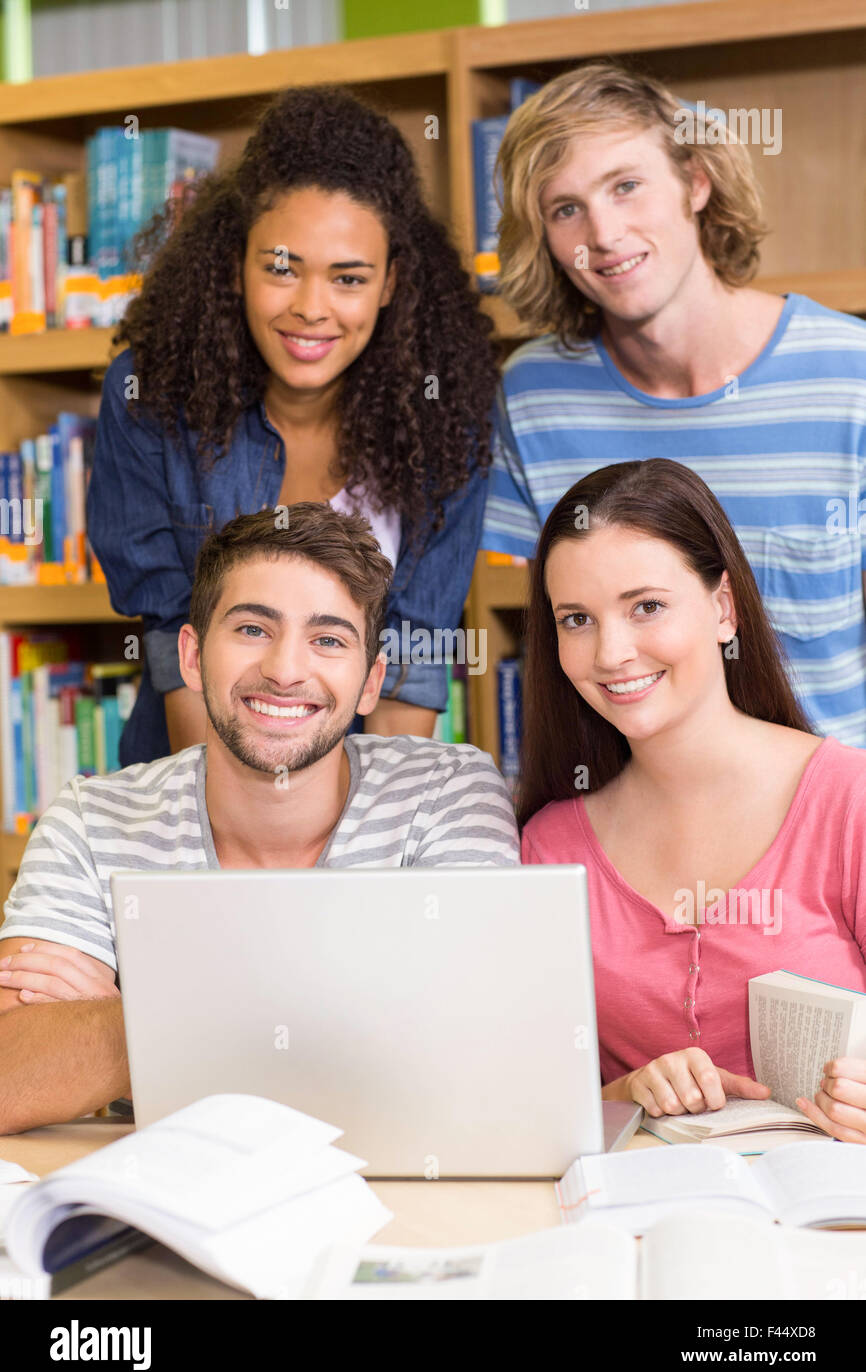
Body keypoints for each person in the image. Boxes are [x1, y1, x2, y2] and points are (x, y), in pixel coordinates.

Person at [0, 505, 519, 1134]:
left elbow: (479, 1051)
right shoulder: (91, 820)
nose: (285, 670)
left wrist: (140, 1018)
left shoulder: (448, 794)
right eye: (252, 629)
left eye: (328, 639)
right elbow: (12, 1078)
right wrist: (357, 1009)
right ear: (191, 657)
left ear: (370, 682)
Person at [87, 84, 499, 766]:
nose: (312, 308)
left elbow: (416, 650)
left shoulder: (447, 413)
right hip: (188, 781)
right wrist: (227, 853)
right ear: (237, 265)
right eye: (282, 268)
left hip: (360, 796)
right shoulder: (150, 393)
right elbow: (175, 639)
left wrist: (363, 847)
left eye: (348, 279)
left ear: (391, 284)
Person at [481, 61, 866, 746]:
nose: (603, 234)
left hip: (833, 818)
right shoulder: (532, 396)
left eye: (626, 186)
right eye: (566, 209)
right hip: (631, 816)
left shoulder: (849, 374)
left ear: (694, 182)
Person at [519, 459, 866, 1144]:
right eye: (577, 619)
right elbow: (528, 1096)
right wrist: (621, 1094)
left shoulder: (848, 800)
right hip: (635, 1218)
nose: (613, 652)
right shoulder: (548, 846)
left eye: (646, 606)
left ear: (723, 608)